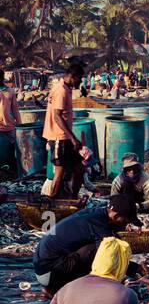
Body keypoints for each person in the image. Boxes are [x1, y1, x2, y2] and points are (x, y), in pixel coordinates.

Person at [33, 195, 139, 294]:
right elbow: (109, 255)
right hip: (50, 273)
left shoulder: (94, 214)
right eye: (126, 221)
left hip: (43, 270)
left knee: (108, 245)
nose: (126, 225)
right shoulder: (99, 224)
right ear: (116, 216)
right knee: (102, 250)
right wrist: (136, 269)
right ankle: (59, 288)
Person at [44, 59, 85, 199]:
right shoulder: (61, 90)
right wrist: (74, 139)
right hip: (59, 138)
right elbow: (57, 116)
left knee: (79, 169)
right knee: (59, 173)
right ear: (73, 77)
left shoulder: (64, 88)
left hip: (65, 137)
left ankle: (73, 198)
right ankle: (51, 203)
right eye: (80, 79)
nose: (80, 82)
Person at [0, 71, 18, 173]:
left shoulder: (10, 91)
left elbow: (15, 108)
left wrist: (19, 124)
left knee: (12, 150)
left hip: (10, 126)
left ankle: (11, 171)